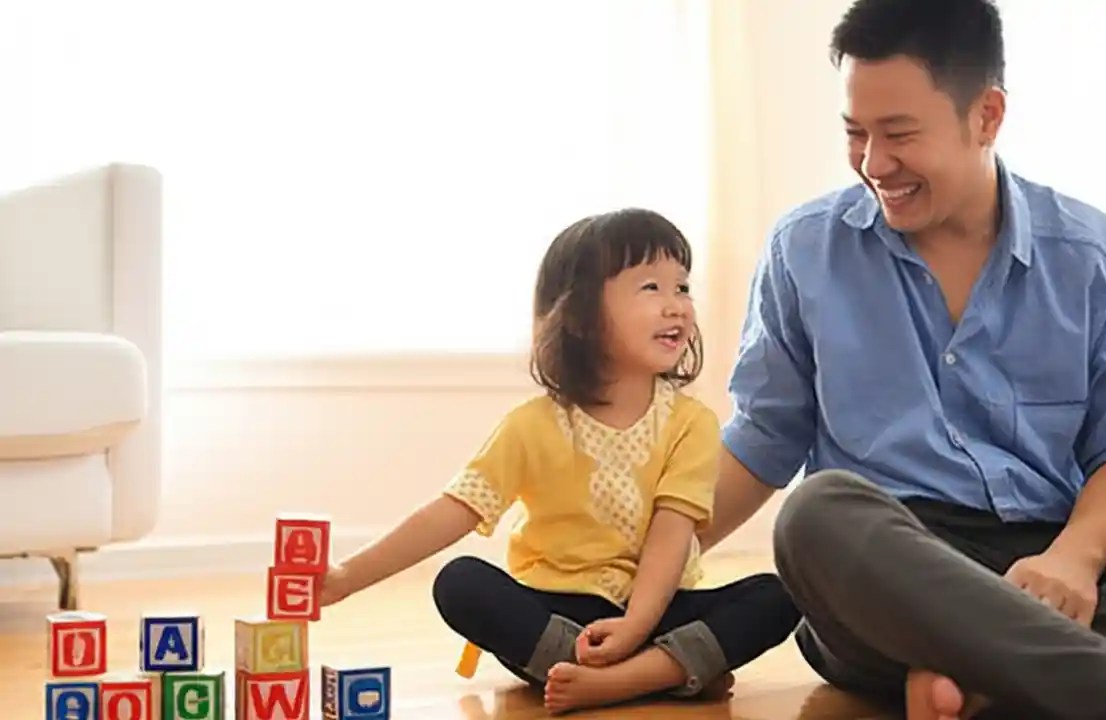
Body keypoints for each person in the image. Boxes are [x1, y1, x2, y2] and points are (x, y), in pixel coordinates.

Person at [697, 1, 1106, 719]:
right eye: (855, 134)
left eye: (899, 135)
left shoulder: (1095, 257)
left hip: (1055, 563)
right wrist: (627, 576)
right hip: (890, 570)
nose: (874, 165)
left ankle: (985, 681)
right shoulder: (804, 251)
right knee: (814, 514)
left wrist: (1076, 558)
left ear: (987, 116)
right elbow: (761, 442)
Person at [319, 208, 800, 714]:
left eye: (682, 287)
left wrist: (634, 626)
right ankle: (660, 669)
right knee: (460, 582)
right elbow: (451, 511)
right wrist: (349, 576)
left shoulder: (691, 424)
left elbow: (671, 534)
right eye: (651, 288)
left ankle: (624, 677)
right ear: (581, 315)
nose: (676, 305)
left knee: (779, 595)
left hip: (656, 607)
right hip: (558, 611)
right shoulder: (531, 426)